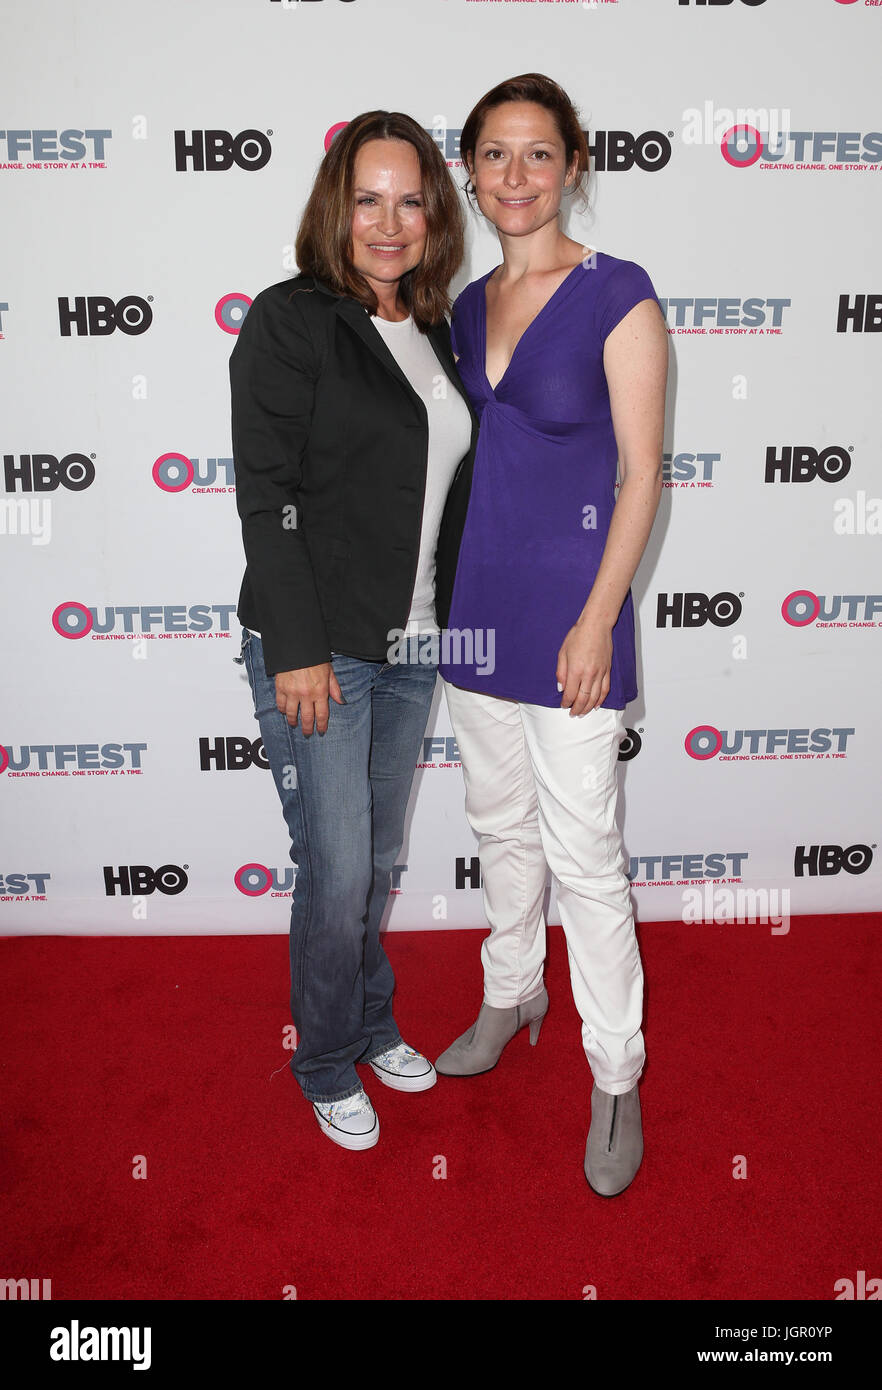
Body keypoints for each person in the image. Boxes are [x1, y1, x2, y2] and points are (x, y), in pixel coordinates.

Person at [434, 74, 669, 1197]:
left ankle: (615, 1070)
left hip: (572, 621)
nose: (515, 177)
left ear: (574, 163)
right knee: (499, 823)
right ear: (469, 171)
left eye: (537, 154)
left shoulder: (619, 294)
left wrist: (596, 621)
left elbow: (641, 476)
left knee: (588, 857)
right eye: (494, 155)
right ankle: (510, 990)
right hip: (476, 612)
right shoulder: (465, 304)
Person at [230, 111, 478, 1151]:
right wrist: (292, 645)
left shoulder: (435, 329)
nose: (389, 221)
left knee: (372, 859)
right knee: (334, 872)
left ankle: (371, 1020)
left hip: (414, 644)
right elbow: (267, 492)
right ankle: (327, 1054)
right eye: (367, 198)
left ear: (434, 212)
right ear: (337, 206)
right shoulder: (293, 320)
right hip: (320, 647)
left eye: (410, 198)